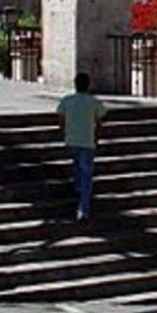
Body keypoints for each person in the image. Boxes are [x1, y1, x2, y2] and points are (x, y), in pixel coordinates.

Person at [57, 73, 105, 223]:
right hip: (88, 142)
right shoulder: (94, 102)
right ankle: (83, 208)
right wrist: (97, 137)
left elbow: (61, 119)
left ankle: (78, 191)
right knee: (86, 175)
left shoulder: (66, 101)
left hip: (72, 140)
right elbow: (100, 120)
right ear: (88, 85)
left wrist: (64, 132)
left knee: (77, 167)